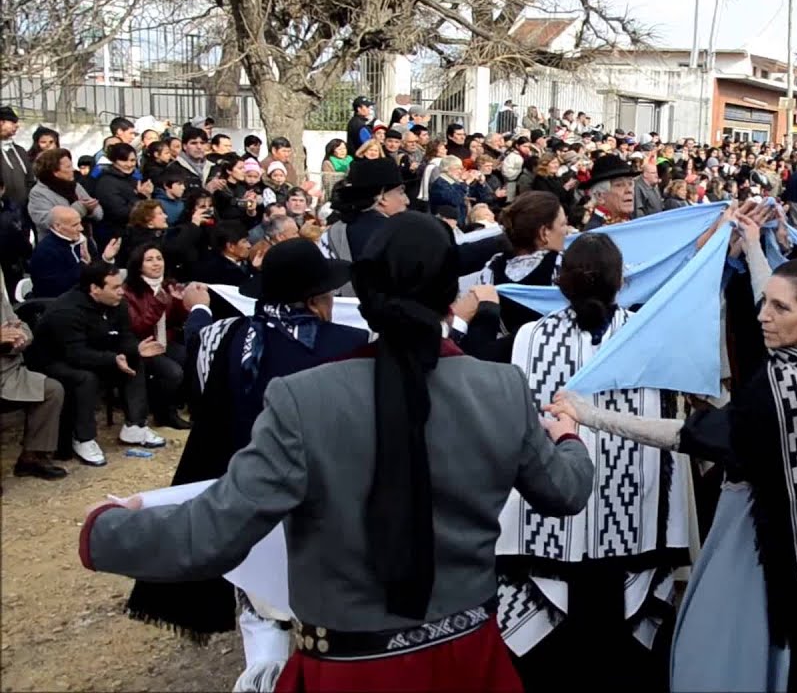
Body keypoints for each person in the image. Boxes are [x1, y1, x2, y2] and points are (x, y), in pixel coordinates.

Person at [82, 213, 594, 693]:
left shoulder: (304, 398)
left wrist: (104, 530)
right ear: (449, 296)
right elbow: (566, 490)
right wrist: (568, 436)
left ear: (363, 295)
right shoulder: (500, 387)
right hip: (470, 658)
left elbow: (214, 534)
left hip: (351, 669)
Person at [546, 231, 797, 691]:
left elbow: (686, 436)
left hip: (759, 534)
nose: (764, 316)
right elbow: (789, 300)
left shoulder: (781, 387)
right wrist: (751, 246)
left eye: (779, 309)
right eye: (765, 302)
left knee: (722, 646)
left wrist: (588, 414)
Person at [123, 239, 369, 690]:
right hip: (329, 504)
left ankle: (264, 677)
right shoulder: (354, 345)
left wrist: (198, 311)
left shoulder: (227, 338)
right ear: (317, 300)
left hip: (250, 496)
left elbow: (201, 391)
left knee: (260, 608)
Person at [499, 233, 693, 691]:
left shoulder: (530, 337)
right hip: (636, 523)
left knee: (557, 671)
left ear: (561, 282)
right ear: (621, 281)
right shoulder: (650, 337)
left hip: (550, 513)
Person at [24, 261, 169, 465]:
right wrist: (112, 359)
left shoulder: (118, 304)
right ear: (94, 289)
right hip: (53, 361)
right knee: (86, 378)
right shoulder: (66, 311)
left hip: (96, 353)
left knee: (134, 361)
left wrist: (135, 349)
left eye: (122, 286)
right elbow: (76, 354)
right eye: (115, 287)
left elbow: (125, 336)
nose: (121, 292)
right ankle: (83, 438)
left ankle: (135, 426)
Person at [0, 270, 67, 480]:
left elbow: (17, 322)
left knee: (52, 390)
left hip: (8, 369)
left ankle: (32, 457)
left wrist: (21, 336)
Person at [478, 191, 569, 336]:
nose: (567, 230)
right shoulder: (563, 266)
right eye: (563, 224)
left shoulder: (491, 269)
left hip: (501, 355)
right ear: (544, 232)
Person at [121, 243, 190, 429]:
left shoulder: (168, 285)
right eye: (149, 260)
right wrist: (159, 303)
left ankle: (178, 404)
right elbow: (138, 326)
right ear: (139, 265)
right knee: (173, 372)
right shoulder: (129, 291)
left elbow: (177, 321)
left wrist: (178, 303)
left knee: (191, 357)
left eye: (159, 259)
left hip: (166, 339)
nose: (156, 263)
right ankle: (164, 414)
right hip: (144, 344)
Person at [321, 158, 410, 282]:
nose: (407, 200)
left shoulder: (335, 230)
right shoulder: (394, 233)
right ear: (382, 197)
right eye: (401, 192)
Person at [29, 205, 120, 299]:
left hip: (86, 296)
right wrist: (84, 265)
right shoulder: (45, 252)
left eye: (80, 223)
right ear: (57, 226)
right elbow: (59, 288)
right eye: (75, 225)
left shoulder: (83, 241)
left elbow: (97, 274)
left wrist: (106, 259)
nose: (81, 228)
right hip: (59, 303)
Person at [28, 148, 99, 242]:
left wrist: (92, 210)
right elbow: (45, 221)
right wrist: (81, 208)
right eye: (68, 167)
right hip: (57, 246)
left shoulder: (75, 186)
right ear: (55, 172)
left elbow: (97, 211)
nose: (73, 170)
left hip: (84, 241)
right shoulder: (38, 193)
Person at [94, 142, 153, 249]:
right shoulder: (106, 182)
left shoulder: (134, 178)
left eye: (132, 160)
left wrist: (147, 197)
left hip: (135, 234)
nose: (129, 164)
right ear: (114, 161)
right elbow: (119, 212)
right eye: (124, 160)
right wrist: (141, 197)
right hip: (115, 237)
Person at [191, 220, 254, 287]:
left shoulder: (250, 260)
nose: (249, 245)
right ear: (230, 247)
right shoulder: (215, 273)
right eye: (244, 242)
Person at [582, 156, 638, 230]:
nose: (629, 190)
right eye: (619, 185)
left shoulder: (632, 220)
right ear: (600, 196)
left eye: (630, 184)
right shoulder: (594, 232)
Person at [0, 106, 32, 212]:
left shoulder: (20, 151)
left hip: (22, 210)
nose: (17, 126)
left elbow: (30, 179)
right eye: (12, 122)